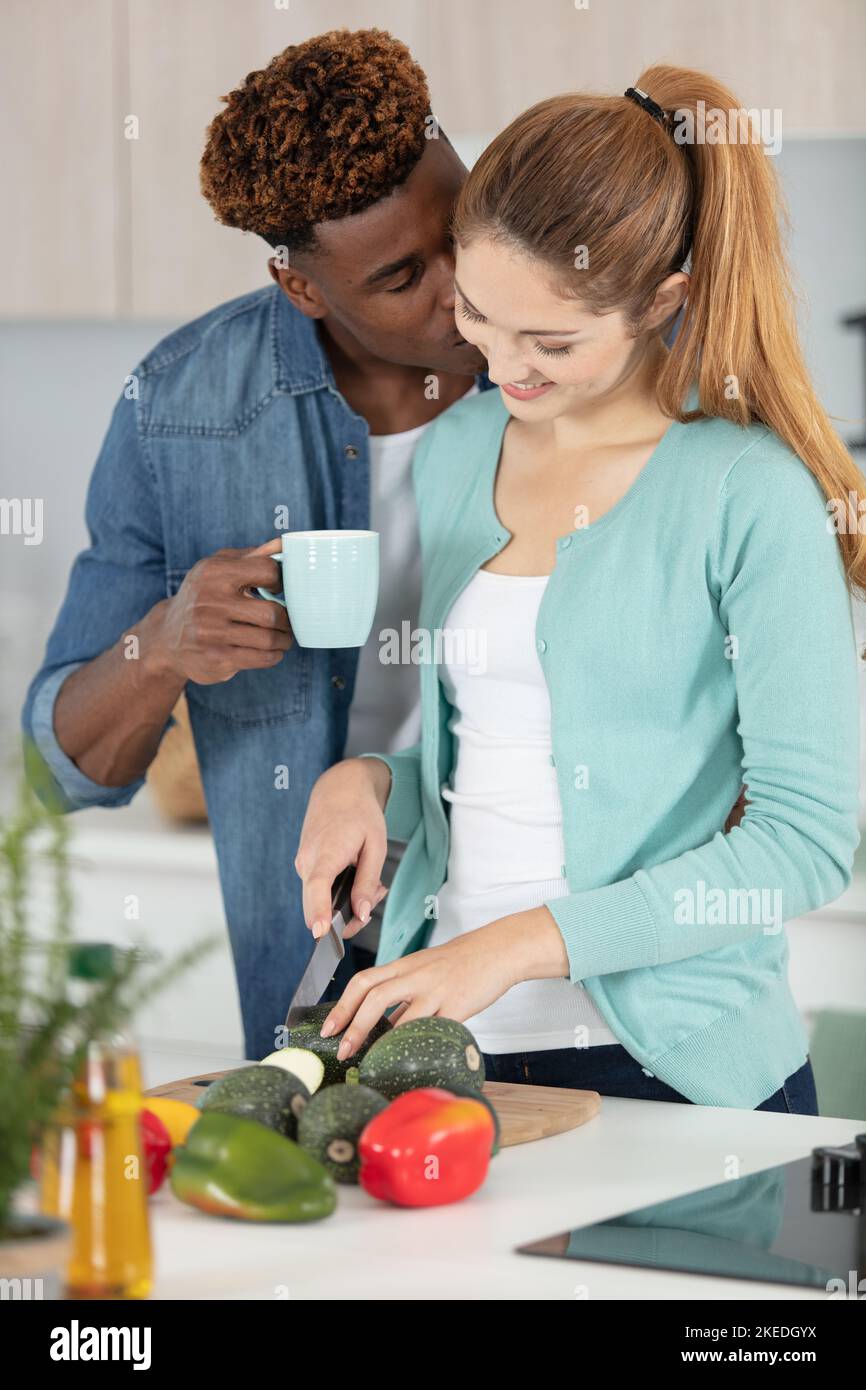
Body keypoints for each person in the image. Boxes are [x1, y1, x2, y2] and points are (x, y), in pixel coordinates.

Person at [295, 66, 864, 1112]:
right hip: (445, 1051)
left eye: (550, 343)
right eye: (475, 314)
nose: (501, 369)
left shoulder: (746, 494)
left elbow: (804, 841)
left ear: (659, 302)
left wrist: (520, 946)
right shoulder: (461, 449)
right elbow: (502, 741)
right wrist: (371, 780)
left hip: (666, 1073)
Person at [22, 29, 492, 1061]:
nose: (460, 286)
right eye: (403, 274)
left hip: (549, 949)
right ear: (305, 290)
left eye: (461, 224)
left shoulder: (581, 356)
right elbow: (64, 766)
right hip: (331, 981)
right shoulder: (178, 407)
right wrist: (165, 641)